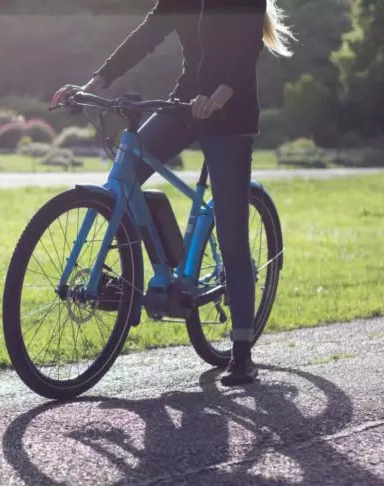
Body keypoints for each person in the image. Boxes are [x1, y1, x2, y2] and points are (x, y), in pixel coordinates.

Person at [52, 0, 294, 386]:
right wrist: (95, 82)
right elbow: (148, 34)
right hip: (184, 103)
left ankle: (242, 355)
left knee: (232, 234)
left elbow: (246, 48)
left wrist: (220, 94)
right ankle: (158, 271)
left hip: (229, 113)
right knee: (125, 170)